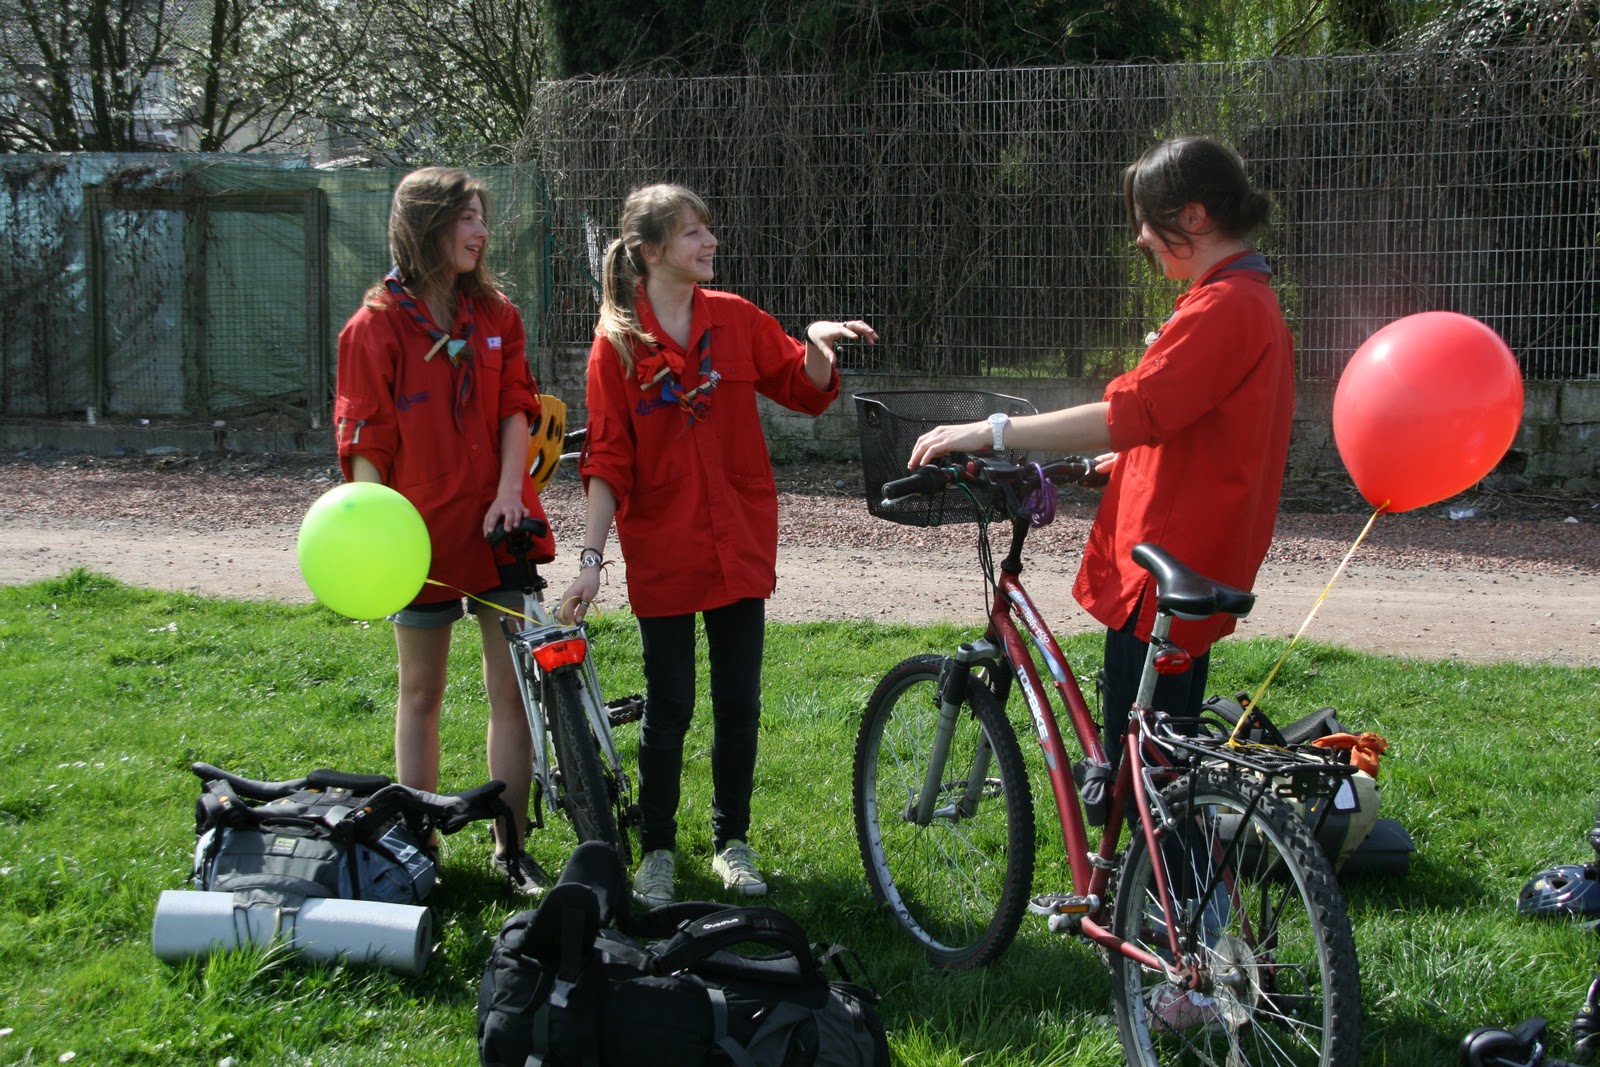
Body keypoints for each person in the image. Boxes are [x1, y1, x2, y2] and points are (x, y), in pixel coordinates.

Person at [908, 135, 1294, 773]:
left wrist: (994, 430)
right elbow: (1205, 431)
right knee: (1163, 764)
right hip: (1197, 549)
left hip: (1164, 564)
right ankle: (1167, 867)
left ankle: (1135, 873)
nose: (1141, 236)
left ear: (1193, 218)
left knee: (1139, 773)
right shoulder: (1246, 299)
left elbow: (1130, 416)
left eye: (1149, 219)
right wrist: (1103, 466)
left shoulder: (1225, 307)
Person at [558, 183, 876, 906]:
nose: (711, 243)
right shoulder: (616, 346)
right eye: (694, 233)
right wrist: (589, 563)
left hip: (738, 541)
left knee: (739, 702)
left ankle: (732, 838)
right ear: (651, 251)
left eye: (708, 230)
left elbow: (801, 385)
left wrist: (820, 348)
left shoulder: (733, 319)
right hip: (665, 549)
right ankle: (659, 850)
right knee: (669, 708)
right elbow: (606, 460)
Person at [334, 166, 557, 893]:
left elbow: (515, 411)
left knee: (511, 690)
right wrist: (376, 538)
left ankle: (511, 846)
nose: (481, 231)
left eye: (482, 217)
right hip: (416, 543)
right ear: (425, 226)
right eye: (466, 217)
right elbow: (366, 442)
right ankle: (417, 846)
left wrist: (506, 494)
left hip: (499, 531)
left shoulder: (497, 315)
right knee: (420, 693)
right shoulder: (373, 327)